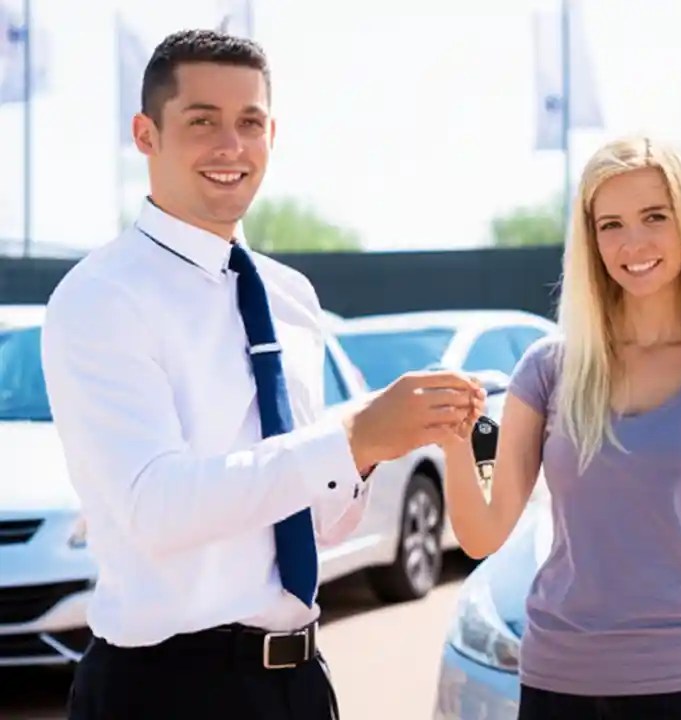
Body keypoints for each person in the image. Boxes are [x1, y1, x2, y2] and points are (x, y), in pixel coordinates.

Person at [40, 29, 483, 720]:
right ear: (145, 134)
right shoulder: (101, 296)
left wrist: (366, 455)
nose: (231, 145)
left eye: (250, 122)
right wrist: (352, 438)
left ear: (272, 133)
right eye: (202, 121)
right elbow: (155, 508)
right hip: (163, 692)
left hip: (300, 680)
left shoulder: (290, 296)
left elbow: (318, 522)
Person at [441, 136, 681, 720]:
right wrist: (456, 442)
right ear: (590, 239)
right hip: (560, 682)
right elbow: (482, 535)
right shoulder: (549, 369)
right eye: (611, 224)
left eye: (654, 216)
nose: (633, 243)